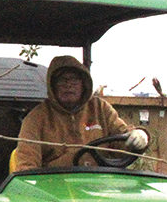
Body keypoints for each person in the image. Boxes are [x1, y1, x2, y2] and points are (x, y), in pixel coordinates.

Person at [15, 55, 148, 171]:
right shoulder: (37, 118)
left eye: (74, 79)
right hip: (57, 185)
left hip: (101, 182)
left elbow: (123, 139)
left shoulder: (100, 109)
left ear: (84, 83)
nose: (68, 85)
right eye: (62, 80)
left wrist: (138, 136)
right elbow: (26, 165)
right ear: (52, 85)